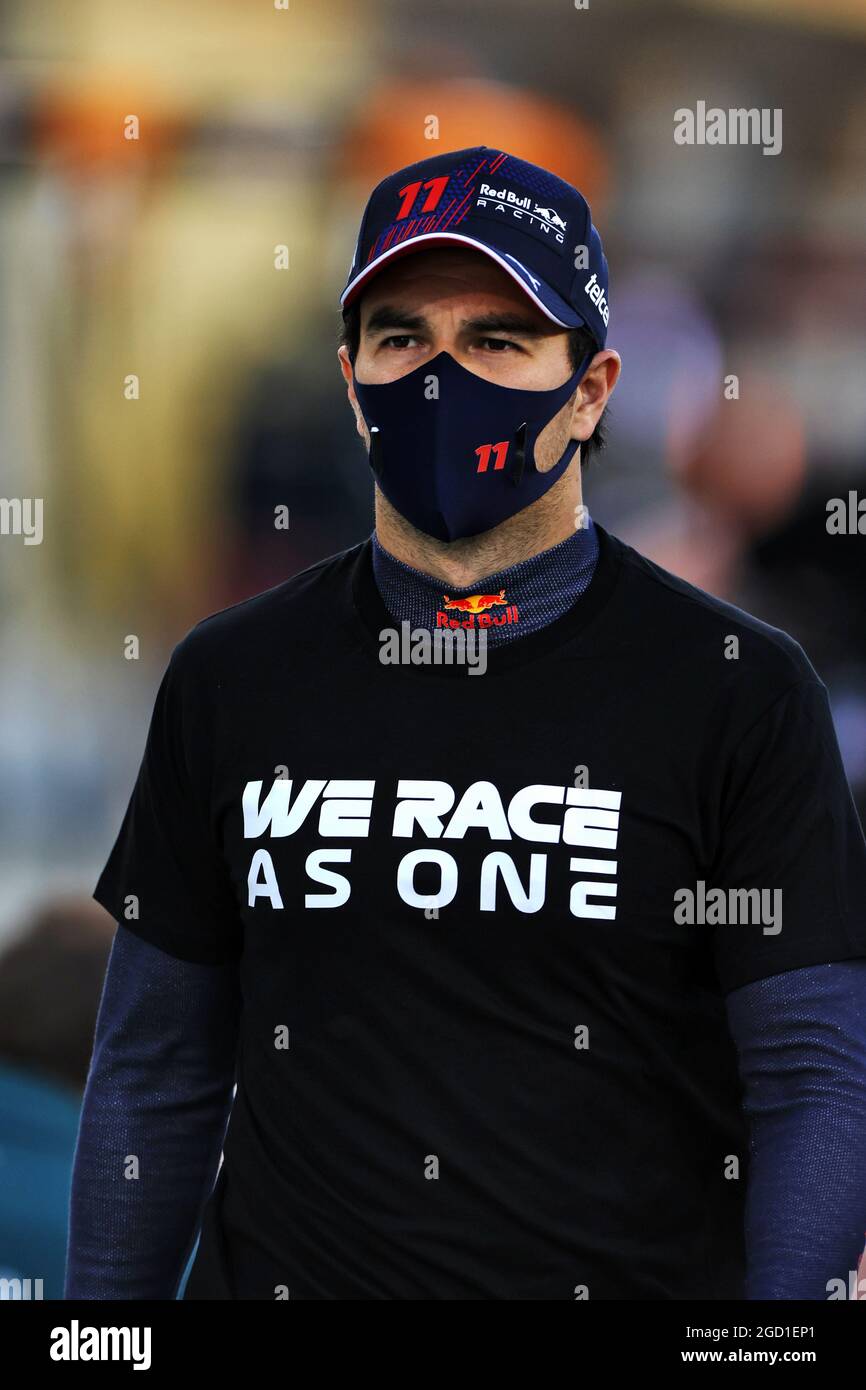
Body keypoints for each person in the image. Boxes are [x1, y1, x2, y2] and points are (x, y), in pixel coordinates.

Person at [66, 146, 866, 1301]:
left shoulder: (736, 687)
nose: (440, 377)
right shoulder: (230, 676)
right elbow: (152, 1067)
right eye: (401, 338)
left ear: (589, 387)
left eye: (495, 339)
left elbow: (814, 1074)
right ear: (349, 379)